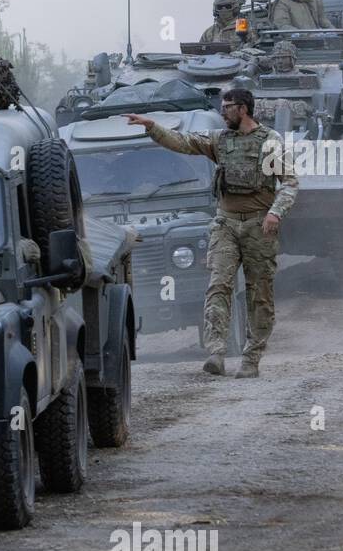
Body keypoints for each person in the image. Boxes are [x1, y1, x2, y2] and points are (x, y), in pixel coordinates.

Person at [124, 88, 298, 378]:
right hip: (226, 224)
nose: (222, 111)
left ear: (243, 109)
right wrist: (152, 127)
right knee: (219, 285)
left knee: (260, 294)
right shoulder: (220, 140)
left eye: (227, 107)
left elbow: (289, 182)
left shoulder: (270, 141)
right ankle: (216, 351)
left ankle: (251, 359)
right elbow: (184, 142)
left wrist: (275, 212)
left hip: (258, 225)